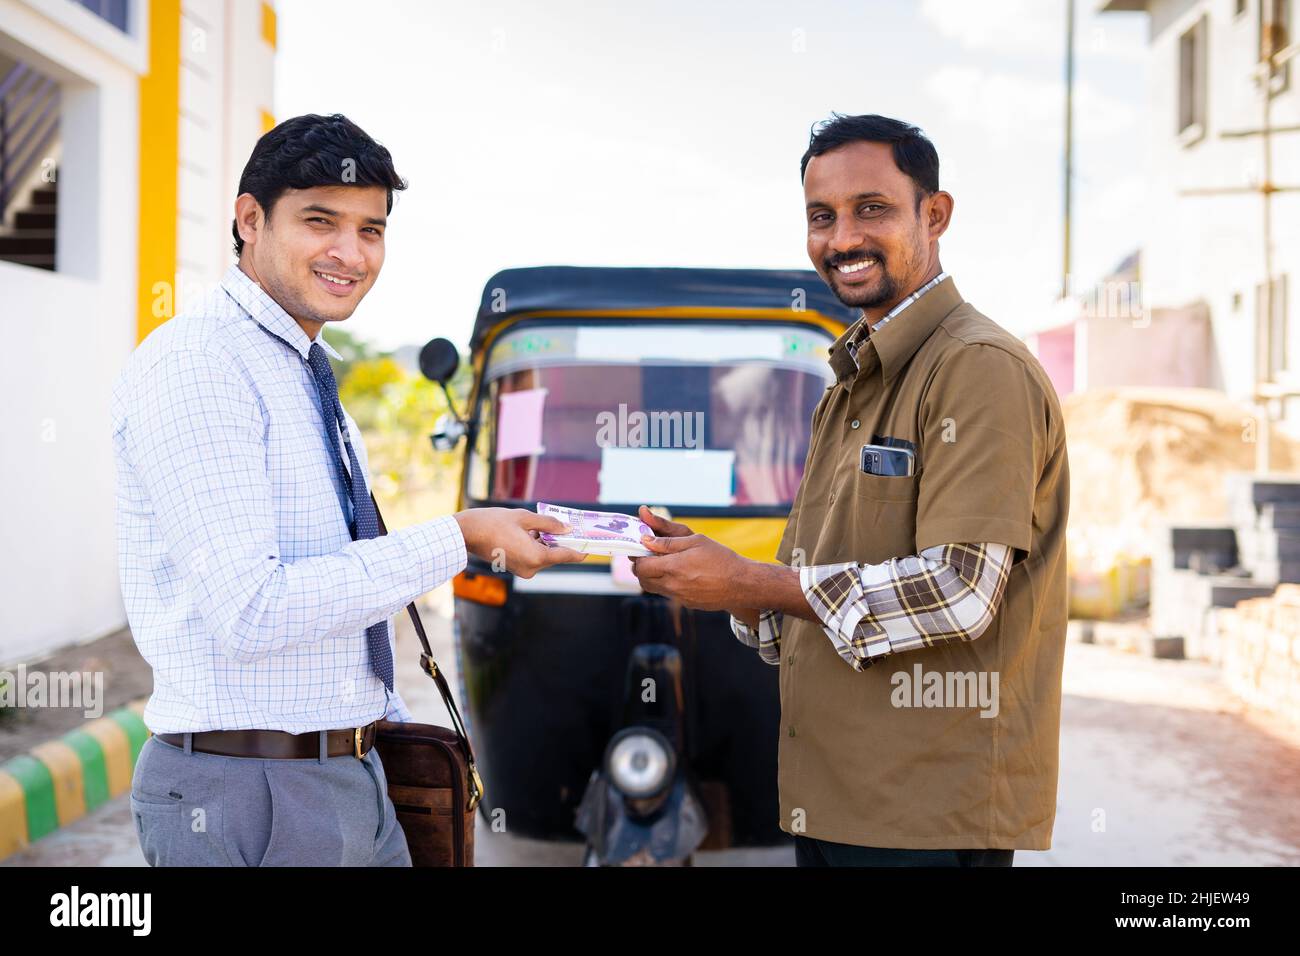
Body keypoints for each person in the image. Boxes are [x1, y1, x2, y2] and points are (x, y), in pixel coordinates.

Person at [111, 113, 584, 866]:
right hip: (249, 794)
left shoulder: (303, 367)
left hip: (348, 779)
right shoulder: (200, 366)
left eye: (372, 229)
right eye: (320, 221)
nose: (350, 253)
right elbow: (252, 609)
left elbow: (334, 587)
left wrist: (380, 730)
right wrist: (459, 537)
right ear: (249, 219)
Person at [630, 114, 1070, 867]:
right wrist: (724, 585)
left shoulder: (978, 367)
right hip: (834, 805)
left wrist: (750, 578)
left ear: (935, 215)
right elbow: (807, 605)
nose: (842, 239)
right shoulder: (850, 382)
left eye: (872, 208)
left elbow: (962, 592)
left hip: (928, 818)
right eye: (821, 217)